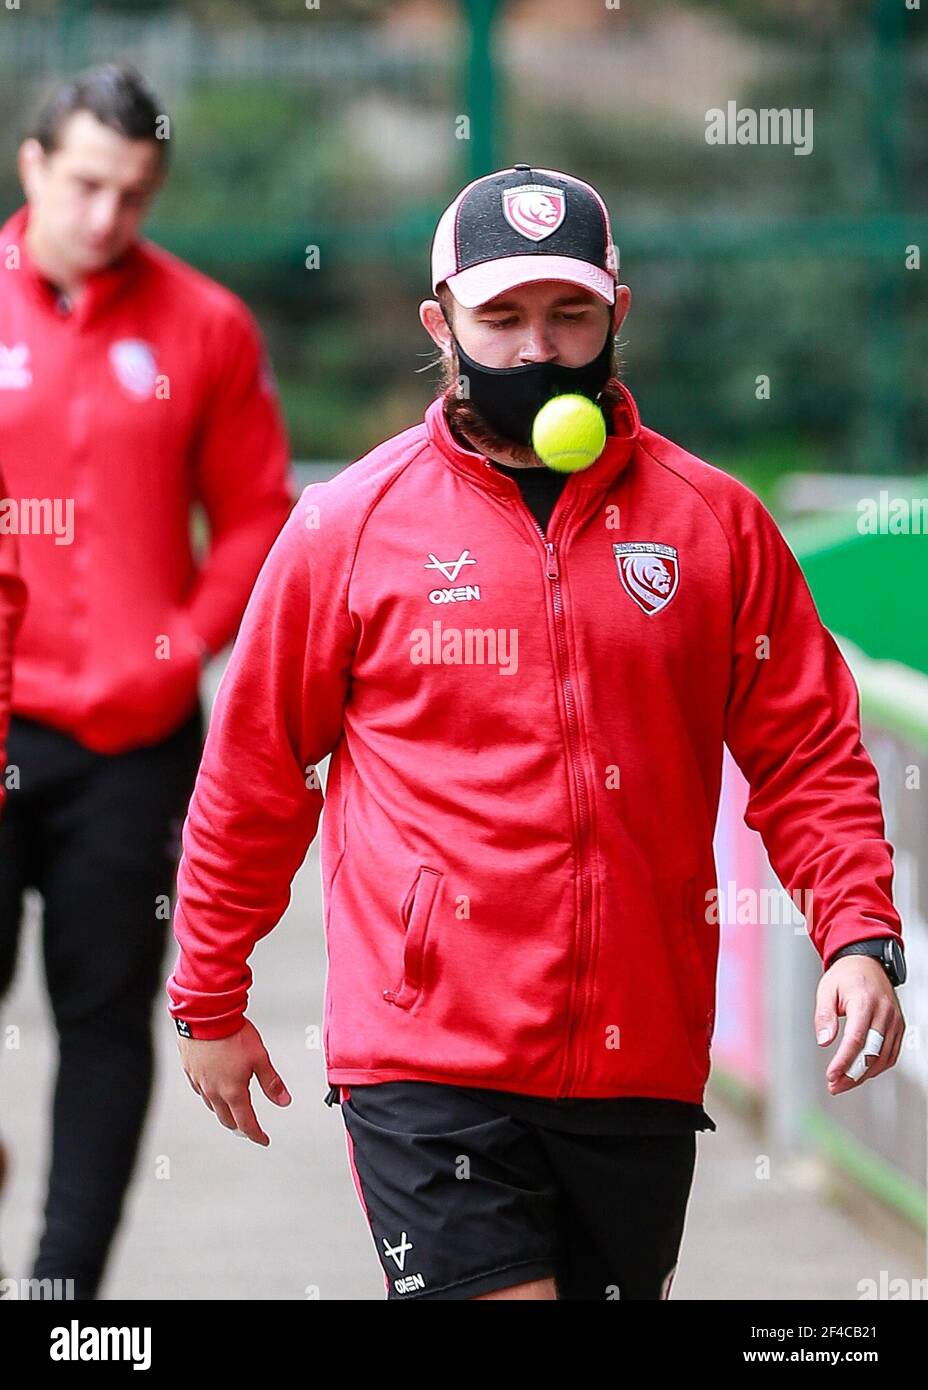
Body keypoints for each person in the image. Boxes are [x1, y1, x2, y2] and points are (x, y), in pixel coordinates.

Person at [168, 165, 906, 1302]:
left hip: (639, 1056)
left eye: (569, 316)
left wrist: (858, 930)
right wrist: (210, 992)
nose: (538, 349)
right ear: (442, 323)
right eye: (501, 318)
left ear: (618, 311)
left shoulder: (713, 525)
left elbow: (805, 747)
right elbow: (256, 768)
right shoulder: (348, 526)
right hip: (426, 1057)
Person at [0, 63, 294, 1300]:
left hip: (131, 744)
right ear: (31, 166)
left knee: (107, 1019)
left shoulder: (205, 325)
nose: (110, 215)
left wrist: (176, 646)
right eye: (86, 185)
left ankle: (65, 1295)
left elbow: (251, 518)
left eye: (136, 192)